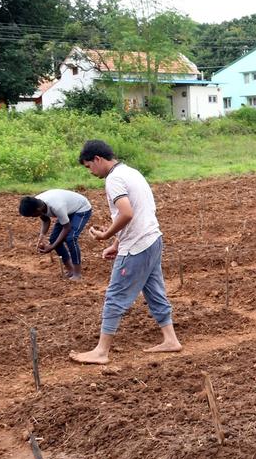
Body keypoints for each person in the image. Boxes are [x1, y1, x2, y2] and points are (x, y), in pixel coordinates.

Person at [71, 140, 181, 364]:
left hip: (137, 246)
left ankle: (101, 352)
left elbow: (127, 213)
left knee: (115, 296)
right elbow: (140, 211)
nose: (90, 172)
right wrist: (116, 244)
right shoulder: (132, 172)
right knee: (154, 291)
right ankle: (171, 340)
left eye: (89, 166)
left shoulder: (114, 179)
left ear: (97, 159)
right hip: (152, 239)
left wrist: (106, 235)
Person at [18, 190, 93, 280]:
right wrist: (42, 236)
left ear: (38, 210)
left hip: (81, 208)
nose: (33, 217)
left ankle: (77, 273)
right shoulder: (37, 204)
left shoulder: (57, 207)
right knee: (54, 239)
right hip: (68, 209)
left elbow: (67, 227)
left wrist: (52, 247)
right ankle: (70, 269)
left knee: (71, 238)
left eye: (32, 215)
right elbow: (46, 220)